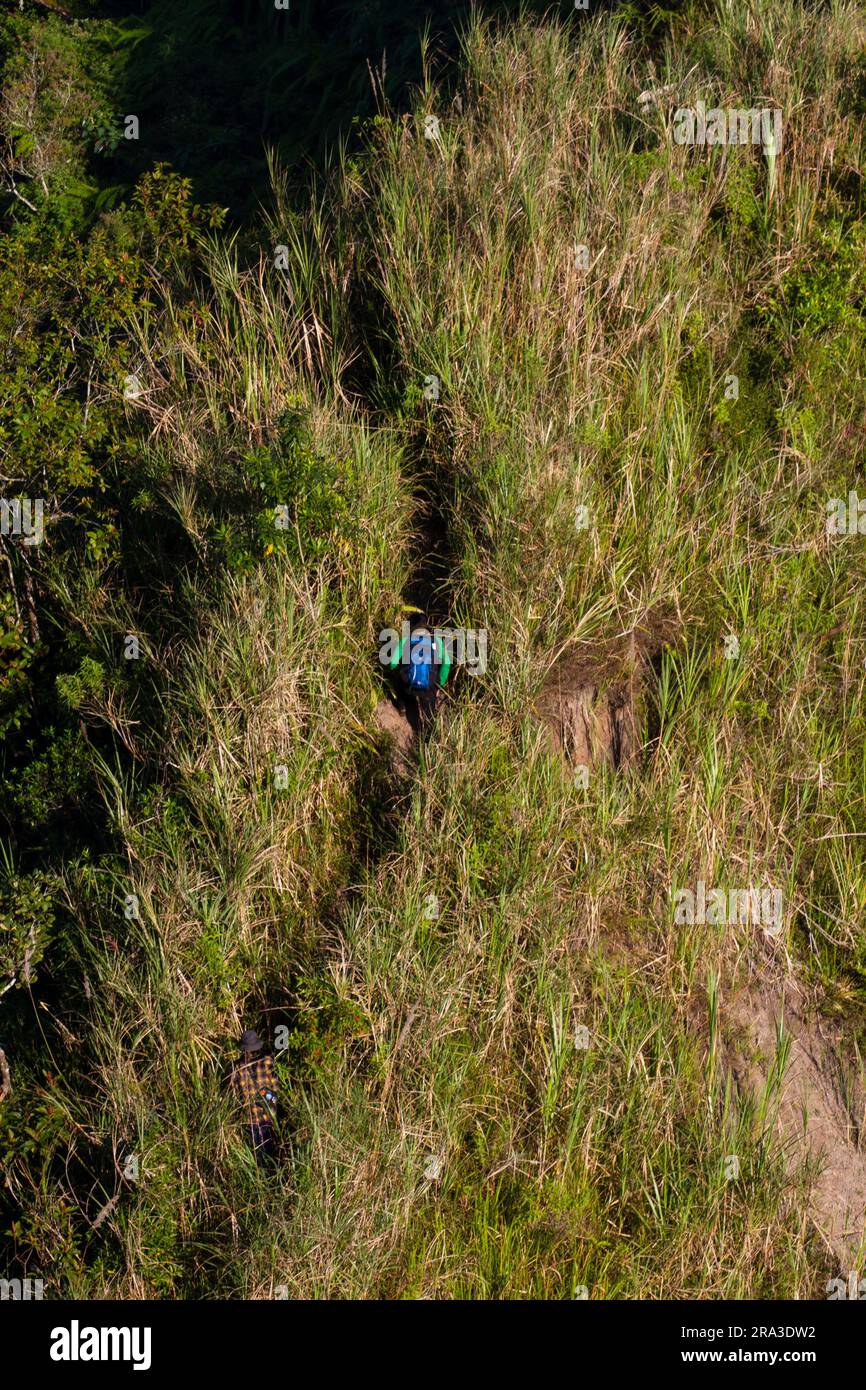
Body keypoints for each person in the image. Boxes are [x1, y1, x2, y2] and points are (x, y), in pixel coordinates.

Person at [231, 1029, 278, 1163]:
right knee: (271, 1157)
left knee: (257, 1158)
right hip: (267, 1117)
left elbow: (235, 1095)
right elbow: (276, 1090)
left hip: (249, 1119)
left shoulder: (237, 1067)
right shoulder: (268, 1062)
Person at [390, 625, 451, 720]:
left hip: (408, 684)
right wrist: (439, 684)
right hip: (429, 688)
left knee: (398, 679)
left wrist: (399, 672)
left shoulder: (407, 639)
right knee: (430, 713)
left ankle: (402, 705)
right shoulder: (436, 641)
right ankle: (430, 726)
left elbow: (392, 662)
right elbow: (446, 664)